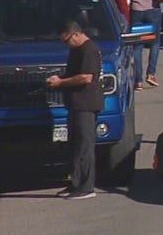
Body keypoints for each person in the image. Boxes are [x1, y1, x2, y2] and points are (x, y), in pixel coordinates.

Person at [47, 20, 101, 200]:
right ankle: (75, 183)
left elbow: (86, 77)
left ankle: (87, 187)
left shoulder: (89, 50)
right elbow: (73, 75)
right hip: (75, 104)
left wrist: (61, 83)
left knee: (85, 146)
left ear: (76, 34)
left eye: (67, 40)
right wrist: (59, 79)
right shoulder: (76, 50)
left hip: (86, 104)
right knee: (76, 146)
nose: (66, 44)